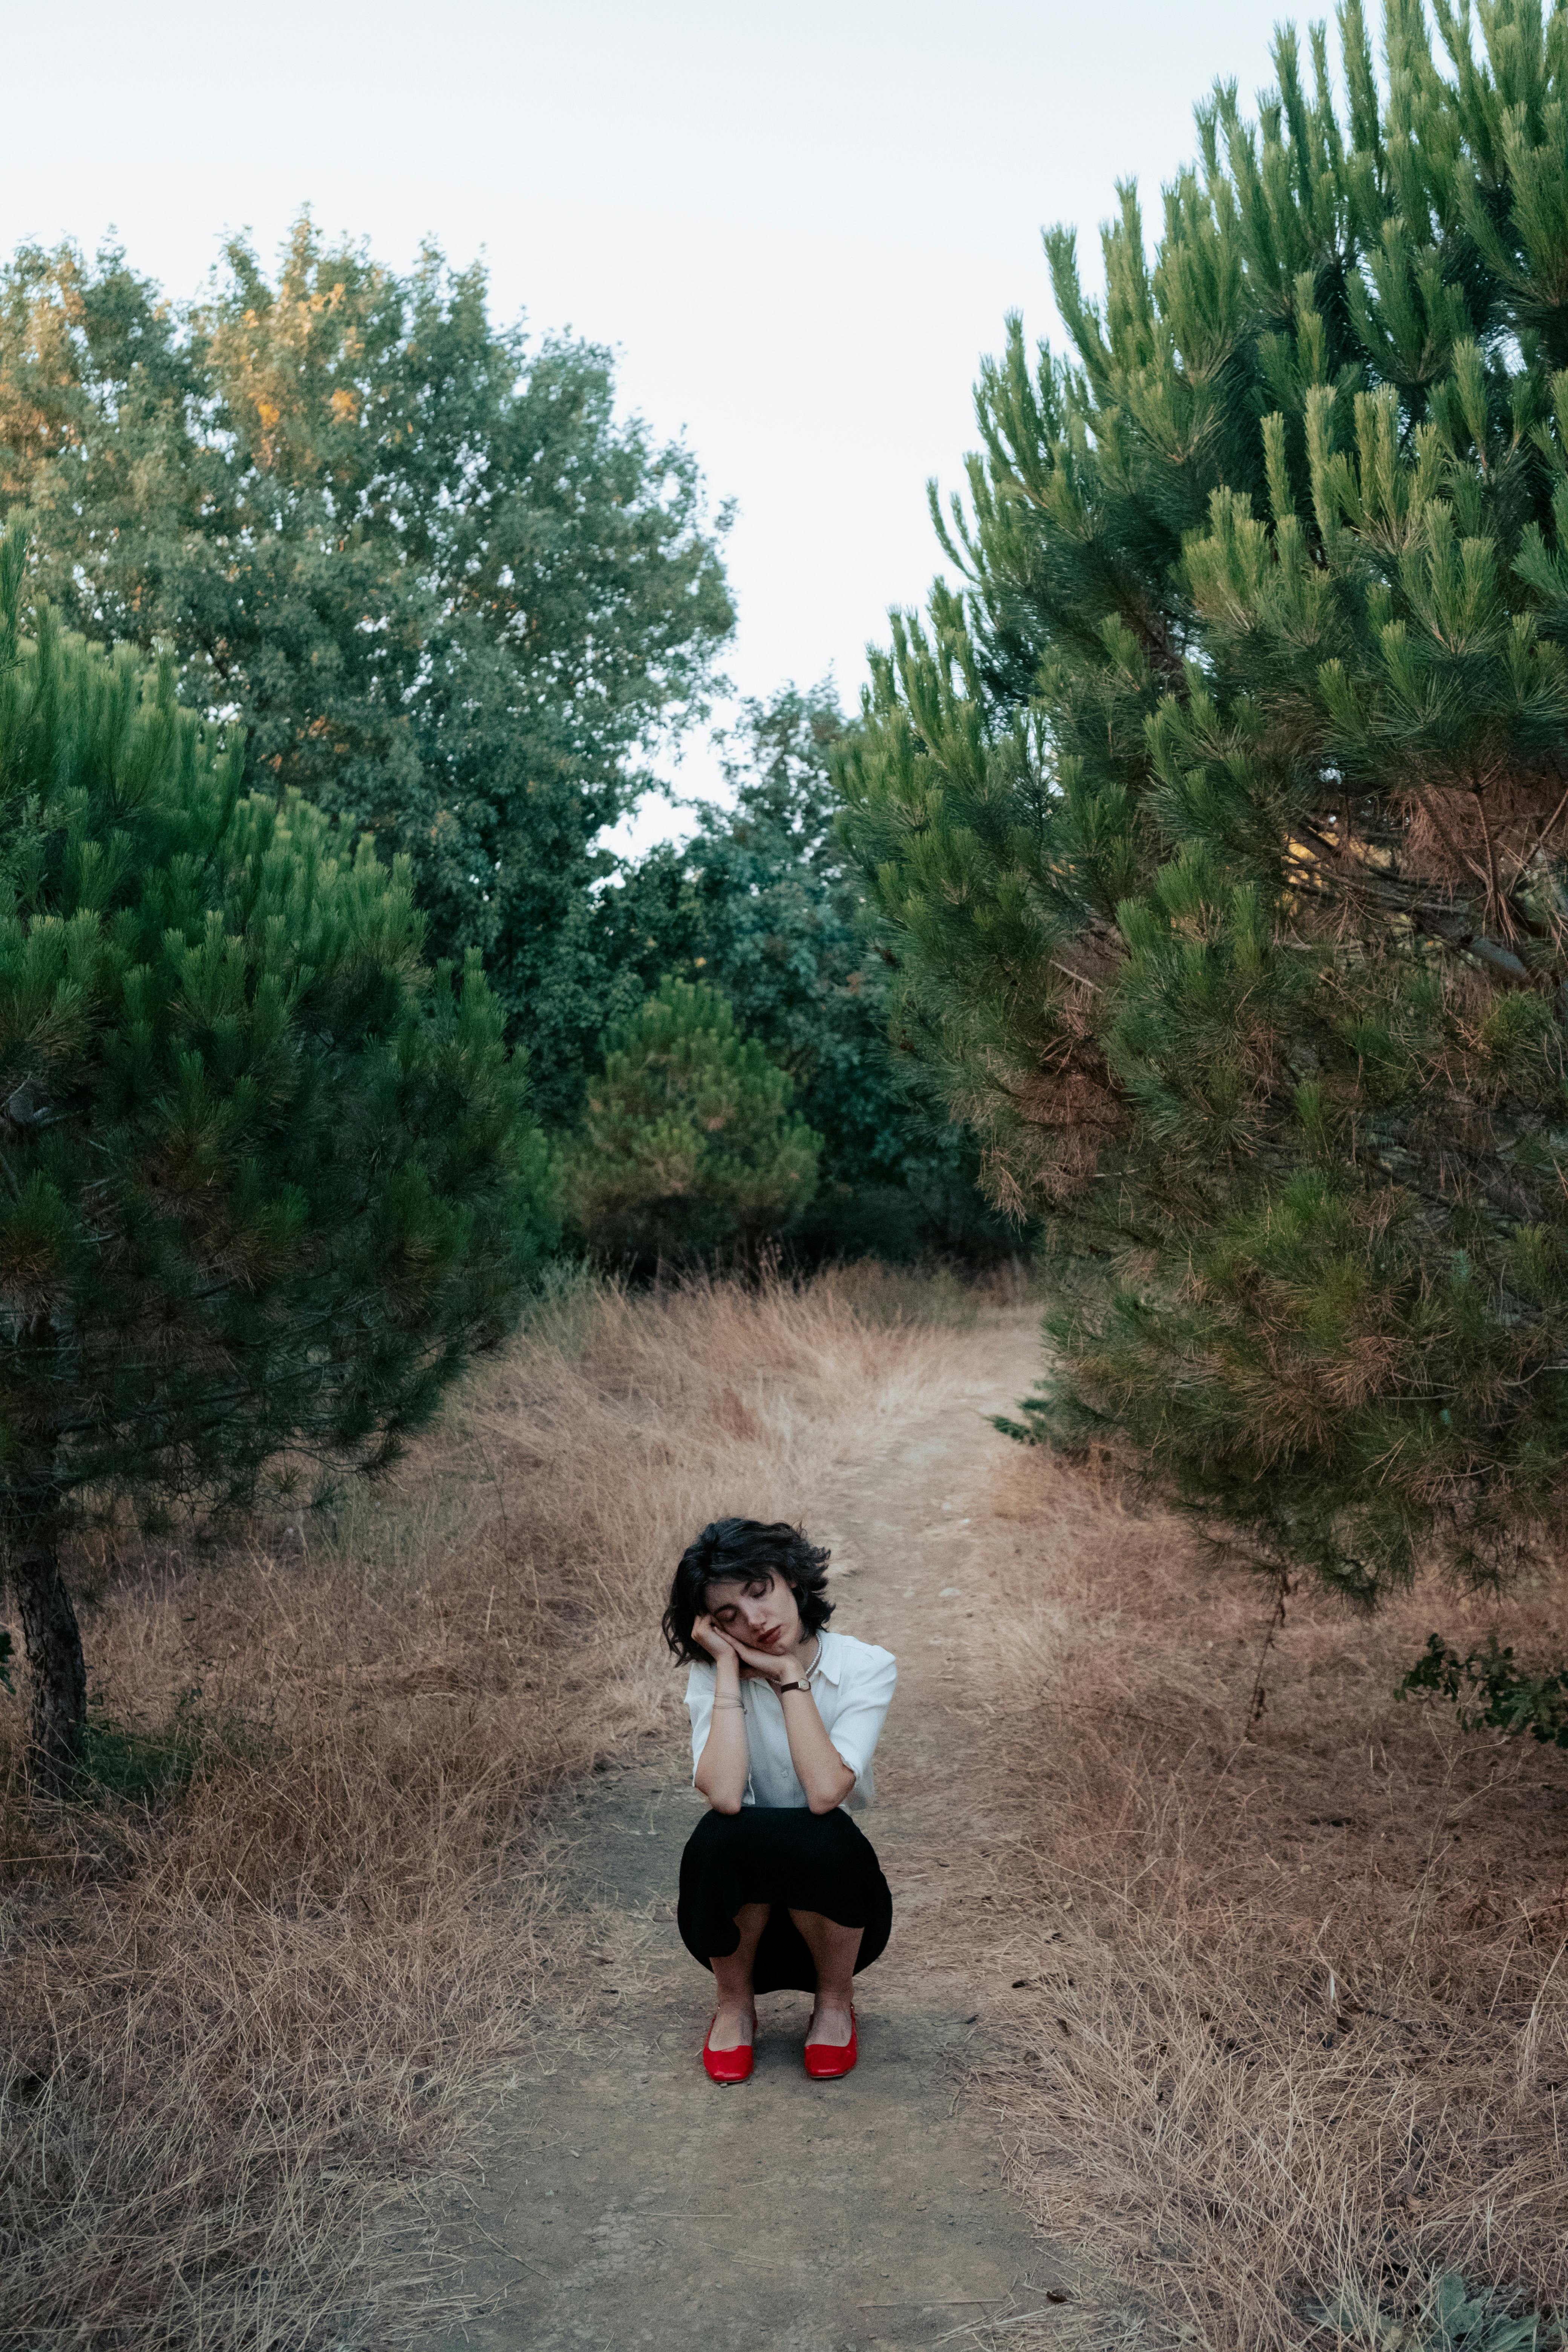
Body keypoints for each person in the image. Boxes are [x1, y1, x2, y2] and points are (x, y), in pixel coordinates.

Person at [663, 1516, 897, 2085]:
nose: (755, 1621)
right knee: (723, 1834)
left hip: (837, 1912)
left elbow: (825, 1792)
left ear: (791, 1578)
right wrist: (725, 1671)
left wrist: (790, 1675)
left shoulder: (865, 1667)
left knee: (822, 1830)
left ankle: (836, 2003)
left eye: (758, 1591)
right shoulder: (713, 1678)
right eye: (728, 1618)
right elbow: (722, 1793)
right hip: (739, 1921)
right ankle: (734, 2005)